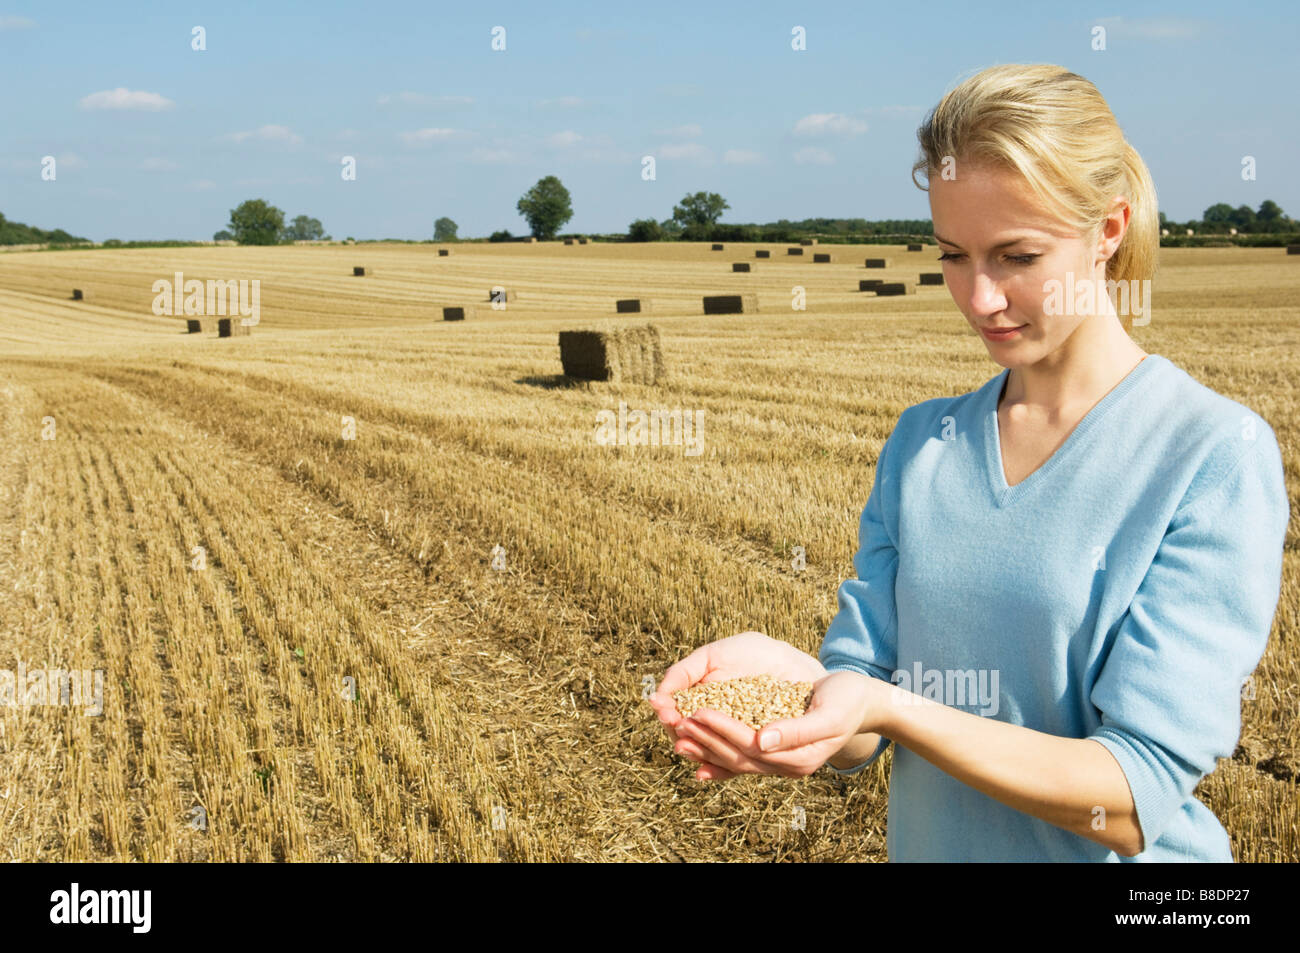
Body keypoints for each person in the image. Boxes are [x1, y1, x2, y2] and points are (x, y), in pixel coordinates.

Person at [647, 63, 1291, 861]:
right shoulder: (921, 445)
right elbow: (859, 711)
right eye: (953, 254)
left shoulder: (1210, 455)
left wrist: (893, 708)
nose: (979, 298)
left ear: (1110, 229)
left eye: (1016, 256)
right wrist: (791, 689)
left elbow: (1131, 795)